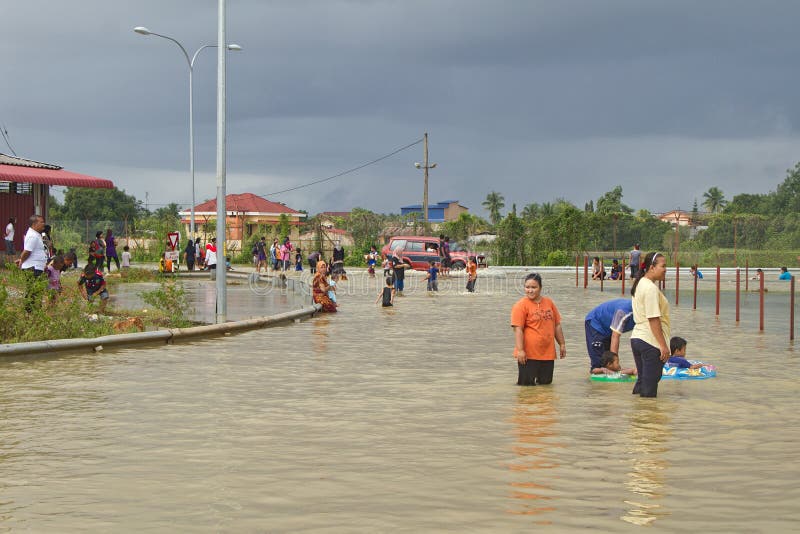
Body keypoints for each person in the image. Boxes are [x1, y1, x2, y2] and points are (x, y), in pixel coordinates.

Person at [511, 272, 566, 386]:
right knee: (526, 389)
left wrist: (562, 344)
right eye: (527, 287)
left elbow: (557, 325)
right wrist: (520, 350)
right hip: (528, 354)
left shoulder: (549, 303)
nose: (530, 290)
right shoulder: (520, 306)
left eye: (533, 287)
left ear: (540, 288)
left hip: (547, 353)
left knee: (546, 387)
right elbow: (518, 329)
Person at [630, 251, 670, 398]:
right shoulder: (651, 288)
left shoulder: (640, 283)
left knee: (642, 384)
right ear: (651, 267)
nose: (666, 269)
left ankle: (637, 419)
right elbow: (653, 319)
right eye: (663, 266)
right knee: (649, 392)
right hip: (650, 342)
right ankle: (647, 420)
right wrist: (664, 346)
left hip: (638, 339)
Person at [584, 298, 635, 371]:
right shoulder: (624, 311)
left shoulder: (648, 314)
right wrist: (615, 363)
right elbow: (615, 336)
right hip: (596, 323)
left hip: (610, 329)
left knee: (608, 363)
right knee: (600, 364)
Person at [15, 214, 48, 312]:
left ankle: (34, 310)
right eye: (41, 222)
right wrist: (21, 260)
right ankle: (30, 312)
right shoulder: (33, 236)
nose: (44, 224)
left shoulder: (35, 234)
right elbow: (27, 252)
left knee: (36, 291)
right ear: (34, 224)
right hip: (33, 267)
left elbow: (28, 250)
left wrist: (21, 259)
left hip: (36, 267)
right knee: (33, 291)